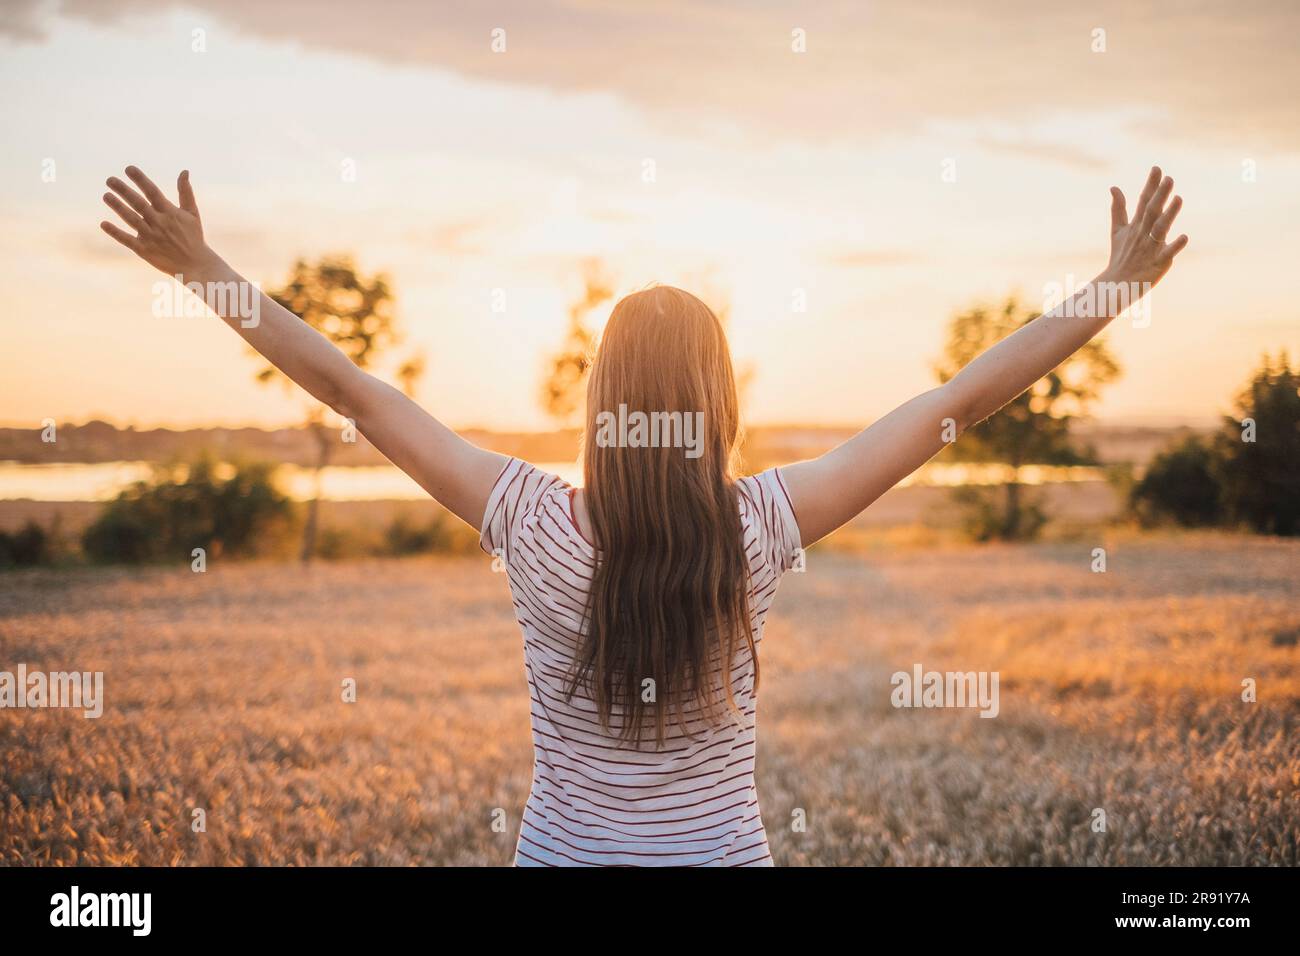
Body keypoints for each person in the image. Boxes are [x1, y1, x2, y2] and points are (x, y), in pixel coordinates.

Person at [100, 164, 1187, 865]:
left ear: (598, 400)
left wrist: (206, 272)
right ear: (718, 401)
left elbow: (354, 392)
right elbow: (955, 403)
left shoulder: (523, 516)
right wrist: (1109, 291)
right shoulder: (760, 523)